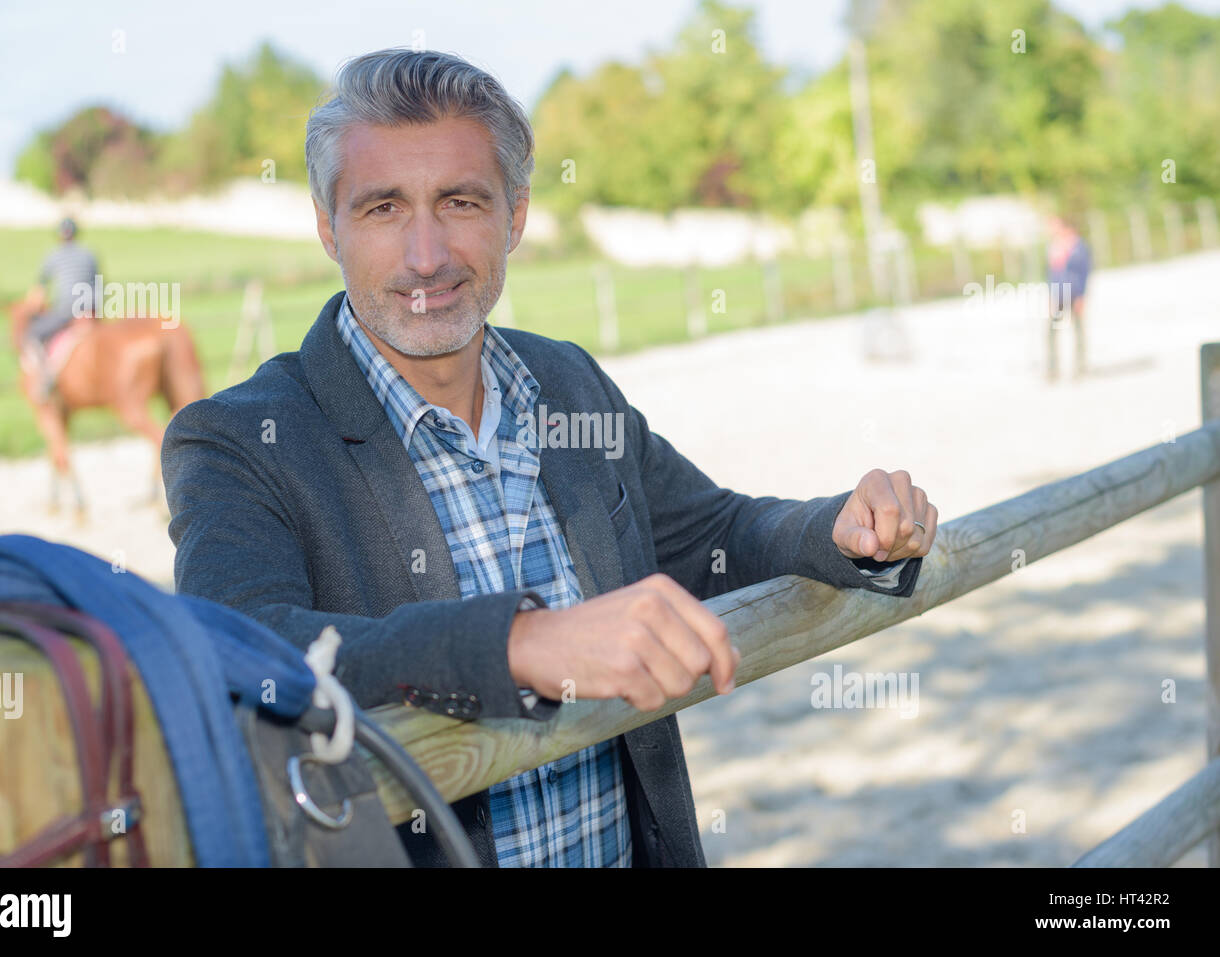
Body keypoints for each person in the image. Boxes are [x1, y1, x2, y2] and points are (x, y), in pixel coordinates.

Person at [161, 49, 940, 868]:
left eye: (461, 202)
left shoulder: (566, 381)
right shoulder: (236, 440)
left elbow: (710, 531)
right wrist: (519, 644)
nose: (427, 256)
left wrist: (841, 528)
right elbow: (241, 654)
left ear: (516, 215)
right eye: (384, 208)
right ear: (328, 225)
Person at [17, 218, 99, 402]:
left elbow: (38, 292)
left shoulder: (54, 256)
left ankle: (46, 378)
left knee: (33, 334)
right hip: (93, 310)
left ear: (59, 235)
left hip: (68, 309)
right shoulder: (89, 254)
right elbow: (100, 283)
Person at [1045, 213, 1093, 381]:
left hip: (1074, 292)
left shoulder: (1078, 246)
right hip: (1059, 293)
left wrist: (1081, 296)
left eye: (1054, 226)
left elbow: (1084, 272)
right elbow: (1052, 274)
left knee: (1078, 330)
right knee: (1052, 331)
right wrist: (1051, 294)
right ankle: (1053, 368)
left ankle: (1080, 366)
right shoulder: (1053, 247)